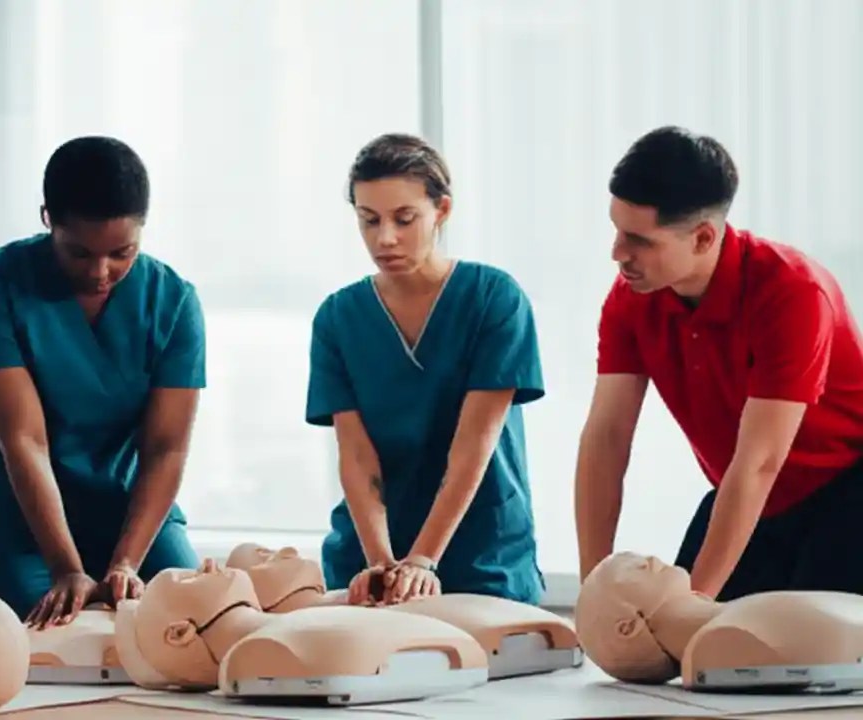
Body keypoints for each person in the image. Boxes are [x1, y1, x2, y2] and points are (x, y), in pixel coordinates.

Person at [574, 125, 863, 601]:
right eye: (617, 230)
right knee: (676, 638)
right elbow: (607, 437)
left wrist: (697, 604)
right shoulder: (630, 299)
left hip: (843, 492)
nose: (617, 254)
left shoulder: (792, 292)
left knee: (789, 637)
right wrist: (592, 587)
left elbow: (760, 462)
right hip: (748, 493)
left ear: (703, 238)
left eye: (639, 240)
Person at [0, 136, 204, 628]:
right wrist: (66, 568)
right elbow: (24, 440)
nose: (101, 272)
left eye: (122, 252)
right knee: (24, 624)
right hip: (15, 509)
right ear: (48, 219)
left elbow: (165, 449)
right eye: (79, 253)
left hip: (126, 505)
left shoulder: (174, 302)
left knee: (187, 617)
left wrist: (125, 563)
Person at [306, 133, 547, 607]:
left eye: (404, 219)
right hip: (368, 554)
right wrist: (382, 564)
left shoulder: (494, 299)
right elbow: (356, 455)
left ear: (442, 210)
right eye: (369, 220)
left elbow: (473, 445)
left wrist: (422, 559)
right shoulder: (337, 317)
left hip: (483, 556)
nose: (385, 238)